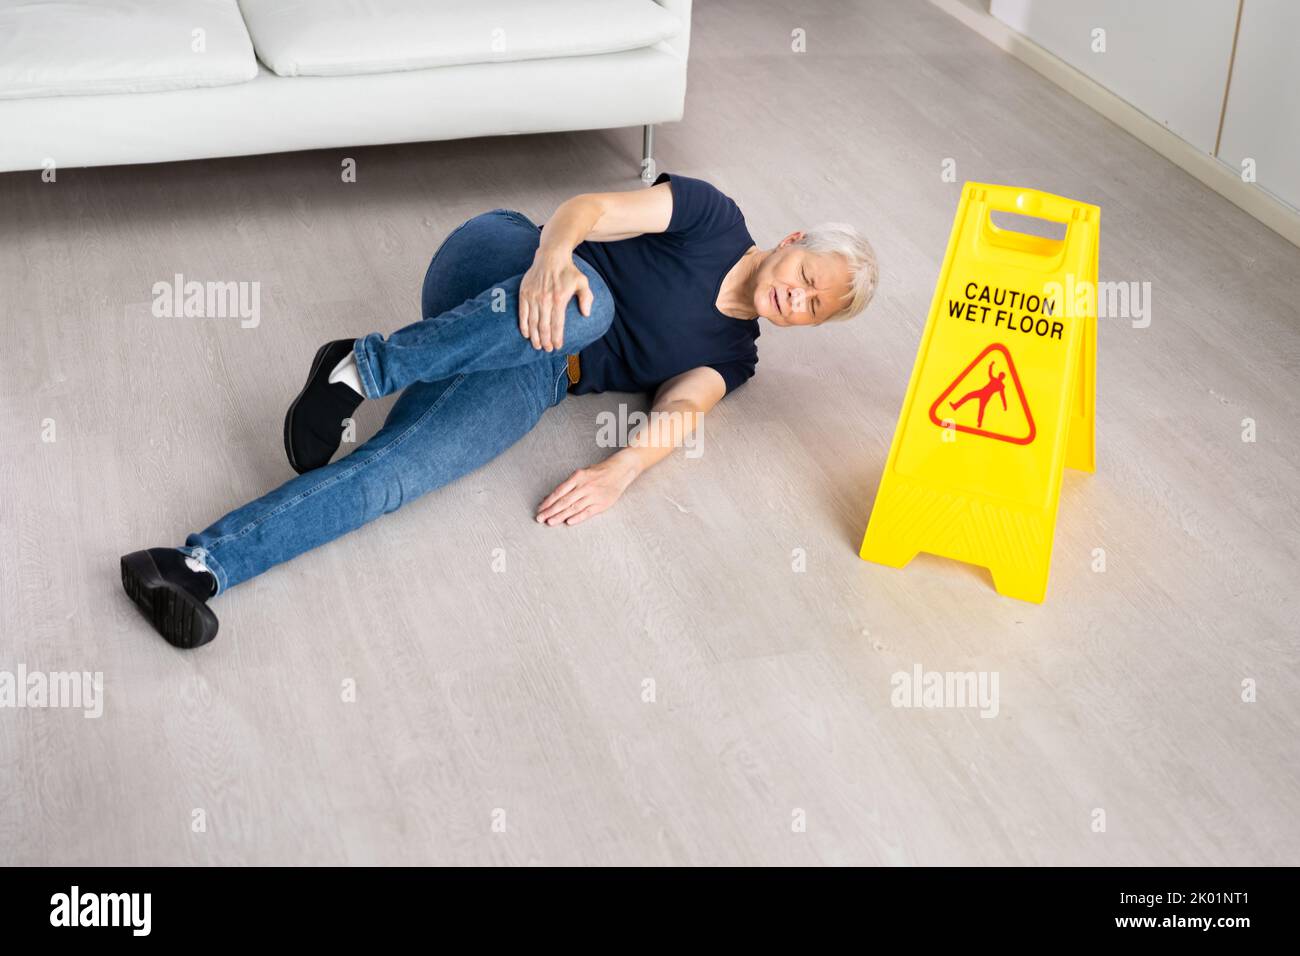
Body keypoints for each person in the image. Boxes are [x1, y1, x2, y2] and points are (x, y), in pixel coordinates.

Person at [119, 172, 879, 648]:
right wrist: (552, 258)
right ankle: (364, 367)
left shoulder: (736, 354)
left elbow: (686, 406)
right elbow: (586, 209)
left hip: (533, 371)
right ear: (789, 242)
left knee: (399, 475)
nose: (799, 297)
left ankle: (194, 567)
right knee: (590, 307)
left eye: (816, 307)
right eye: (809, 275)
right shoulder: (711, 217)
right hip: (505, 261)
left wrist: (621, 471)